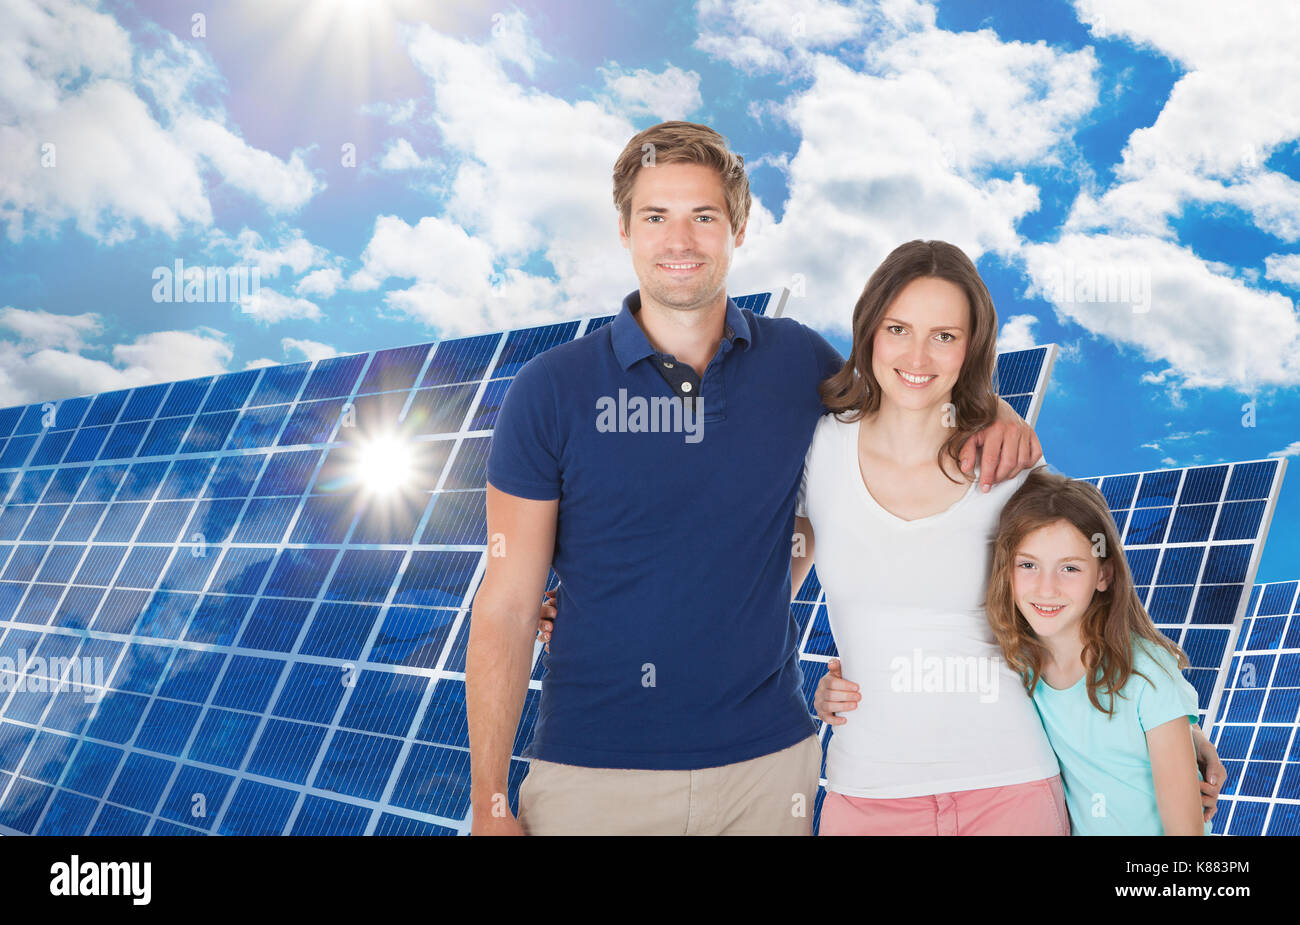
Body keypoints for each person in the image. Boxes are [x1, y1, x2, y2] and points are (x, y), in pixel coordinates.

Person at [467, 120, 1042, 836]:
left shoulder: (797, 363)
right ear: (624, 229)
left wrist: (1001, 412)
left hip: (771, 773)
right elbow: (506, 605)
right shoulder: (550, 390)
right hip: (594, 775)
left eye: (704, 216)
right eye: (656, 217)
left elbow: (912, 381)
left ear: (738, 226)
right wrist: (489, 799)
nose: (680, 241)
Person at [809, 243, 1224, 834]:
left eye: (945, 335)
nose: (918, 355)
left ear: (972, 347)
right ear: (869, 328)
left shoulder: (1009, 465)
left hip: (1009, 787)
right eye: (897, 328)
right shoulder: (819, 447)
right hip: (868, 791)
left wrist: (1171, 724)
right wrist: (820, 687)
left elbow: (1091, 593)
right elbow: (756, 585)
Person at [985, 469, 1211, 834]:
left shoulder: (1147, 675)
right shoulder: (1019, 666)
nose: (1046, 588)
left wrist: (1191, 737)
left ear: (1103, 576)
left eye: (1070, 568)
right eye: (1028, 565)